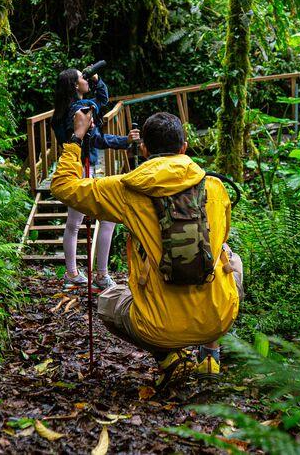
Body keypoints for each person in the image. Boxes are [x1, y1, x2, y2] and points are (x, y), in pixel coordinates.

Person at [51, 111, 243, 382]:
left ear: (143, 149)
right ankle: (210, 355)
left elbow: (63, 186)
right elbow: (221, 238)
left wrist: (76, 138)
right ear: (184, 148)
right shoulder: (215, 186)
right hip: (216, 318)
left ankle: (167, 356)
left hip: (156, 326)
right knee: (231, 258)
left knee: (107, 301)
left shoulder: (126, 190)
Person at [50, 67, 136, 293]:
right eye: (82, 77)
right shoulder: (82, 108)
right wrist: (98, 80)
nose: (85, 79)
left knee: (73, 225)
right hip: (85, 170)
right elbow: (102, 100)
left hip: (71, 167)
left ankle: (72, 274)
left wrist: (122, 140)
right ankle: (101, 275)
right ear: (75, 86)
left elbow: (94, 136)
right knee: (107, 218)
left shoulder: (59, 114)